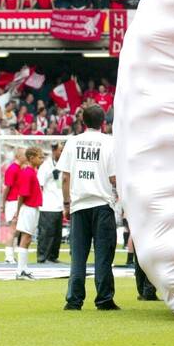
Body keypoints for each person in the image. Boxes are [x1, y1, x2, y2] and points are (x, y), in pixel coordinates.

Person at [57, 103, 119, 311]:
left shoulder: (73, 142)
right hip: (102, 203)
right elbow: (113, 177)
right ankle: (104, 299)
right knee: (103, 254)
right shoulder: (109, 143)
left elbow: (66, 177)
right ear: (103, 122)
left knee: (78, 254)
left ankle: (74, 300)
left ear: (83, 121)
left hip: (79, 204)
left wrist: (66, 203)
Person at [5, 147, 43, 279]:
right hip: (28, 208)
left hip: (32, 207)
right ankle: (20, 271)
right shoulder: (28, 172)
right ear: (32, 158)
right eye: (40, 157)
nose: (42, 159)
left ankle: (24, 268)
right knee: (25, 238)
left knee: (27, 239)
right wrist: (18, 210)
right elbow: (22, 193)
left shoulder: (31, 171)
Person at [36, 143, 63, 262]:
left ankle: (53, 256)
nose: (62, 153)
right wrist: (51, 174)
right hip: (48, 205)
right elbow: (39, 184)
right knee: (47, 233)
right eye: (60, 151)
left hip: (59, 205)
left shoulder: (62, 165)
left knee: (57, 234)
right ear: (54, 150)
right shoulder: (46, 166)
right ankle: (42, 257)